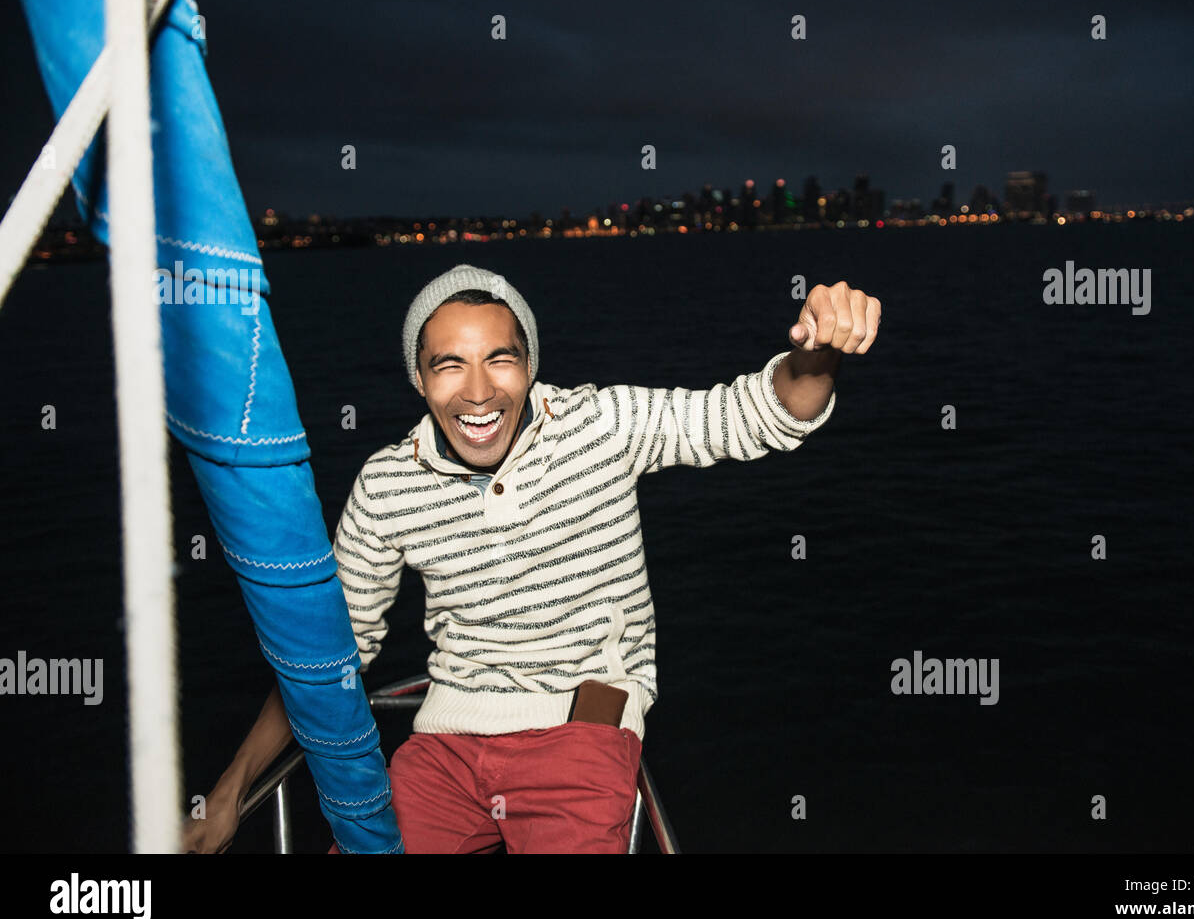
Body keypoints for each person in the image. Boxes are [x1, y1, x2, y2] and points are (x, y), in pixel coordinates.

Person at [184, 262, 881, 853]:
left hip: (581, 728)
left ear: (530, 364)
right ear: (420, 380)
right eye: (448, 364)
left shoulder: (601, 426)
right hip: (445, 744)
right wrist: (228, 789)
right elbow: (327, 660)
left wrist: (818, 353)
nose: (479, 390)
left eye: (500, 358)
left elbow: (757, 413)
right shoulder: (388, 483)